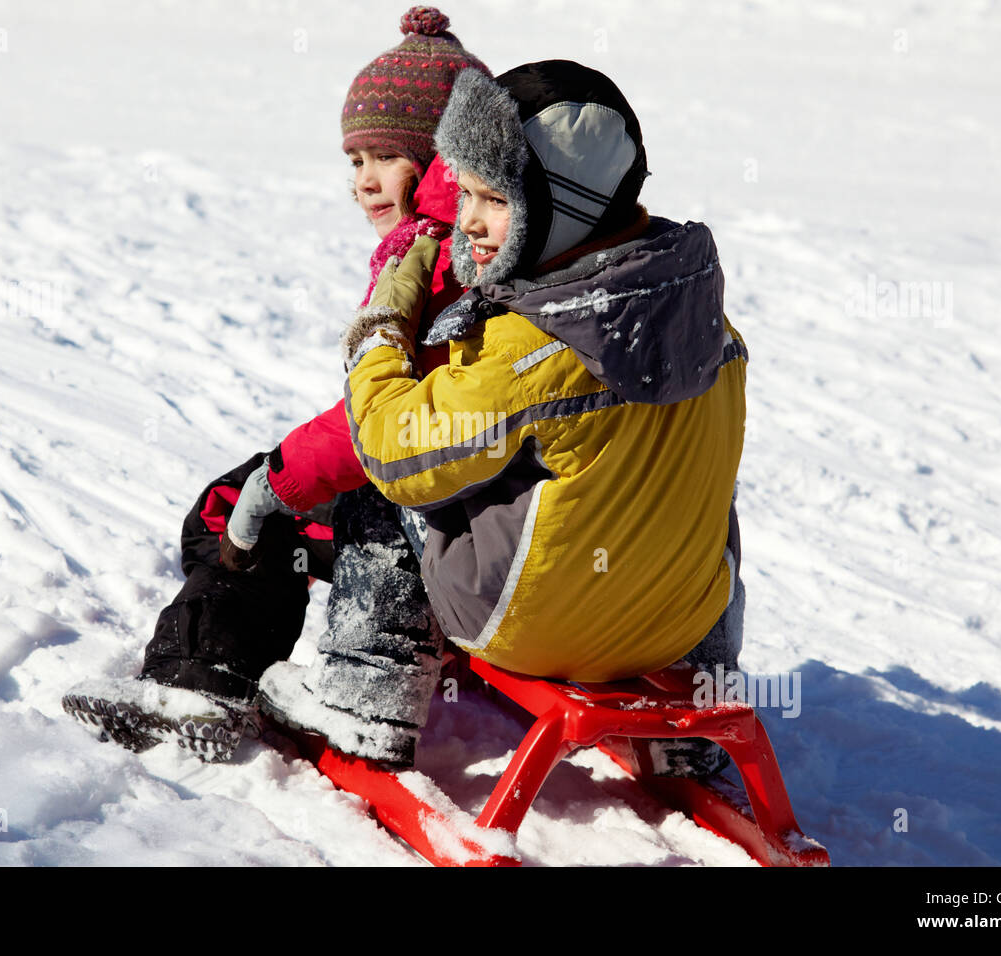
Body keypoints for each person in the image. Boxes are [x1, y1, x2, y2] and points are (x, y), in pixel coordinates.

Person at [258, 60, 748, 776]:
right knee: (694, 487)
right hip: (675, 624)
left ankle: (366, 699)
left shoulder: (526, 340)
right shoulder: (706, 317)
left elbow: (395, 450)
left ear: (569, 206)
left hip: (530, 625)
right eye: (466, 194)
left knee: (385, 480)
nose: (470, 224)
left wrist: (379, 337)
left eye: (495, 198)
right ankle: (687, 720)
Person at [62, 7, 489, 760]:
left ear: (436, 157)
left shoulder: (439, 253)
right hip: (492, 517)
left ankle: (199, 684)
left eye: (382, 158)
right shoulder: (499, 233)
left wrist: (280, 482)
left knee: (234, 510)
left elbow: (390, 420)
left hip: (440, 517)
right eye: (352, 162)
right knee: (271, 490)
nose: (362, 182)